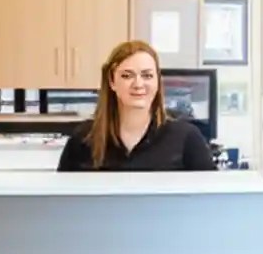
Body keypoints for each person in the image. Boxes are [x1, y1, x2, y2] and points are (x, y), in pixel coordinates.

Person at [57, 40, 216, 172]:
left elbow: (212, 202)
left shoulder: (186, 138)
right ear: (112, 81)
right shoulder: (83, 140)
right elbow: (61, 202)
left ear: (157, 82)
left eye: (147, 75)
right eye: (127, 76)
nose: (138, 84)